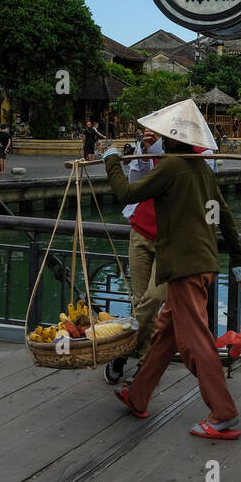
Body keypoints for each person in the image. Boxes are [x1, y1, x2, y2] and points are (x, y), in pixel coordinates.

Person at [103, 99, 241, 438]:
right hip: (201, 263)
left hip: (184, 266)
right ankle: (138, 395)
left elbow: (126, 192)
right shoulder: (201, 167)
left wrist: (111, 161)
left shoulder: (171, 166)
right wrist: (238, 259)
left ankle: (223, 413)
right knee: (165, 335)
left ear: (169, 137)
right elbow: (224, 217)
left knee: (193, 343)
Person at [105, 125, 167, 385]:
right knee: (140, 299)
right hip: (141, 230)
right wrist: (145, 152)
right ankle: (145, 364)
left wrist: (155, 150)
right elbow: (135, 185)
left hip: (171, 238)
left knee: (153, 299)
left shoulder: (199, 155)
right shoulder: (148, 151)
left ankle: (121, 349)